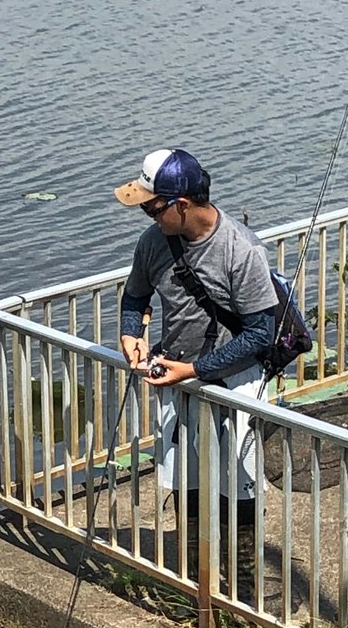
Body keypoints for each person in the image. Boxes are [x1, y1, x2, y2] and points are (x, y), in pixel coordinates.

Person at [114, 148, 278, 516]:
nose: (149, 218)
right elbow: (135, 298)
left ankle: (243, 572)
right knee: (188, 493)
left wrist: (195, 371)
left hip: (237, 385)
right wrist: (129, 335)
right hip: (179, 382)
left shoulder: (243, 251)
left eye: (153, 208)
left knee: (240, 498)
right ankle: (194, 573)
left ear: (182, 204)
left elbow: (259, 336)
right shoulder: (152, 243)